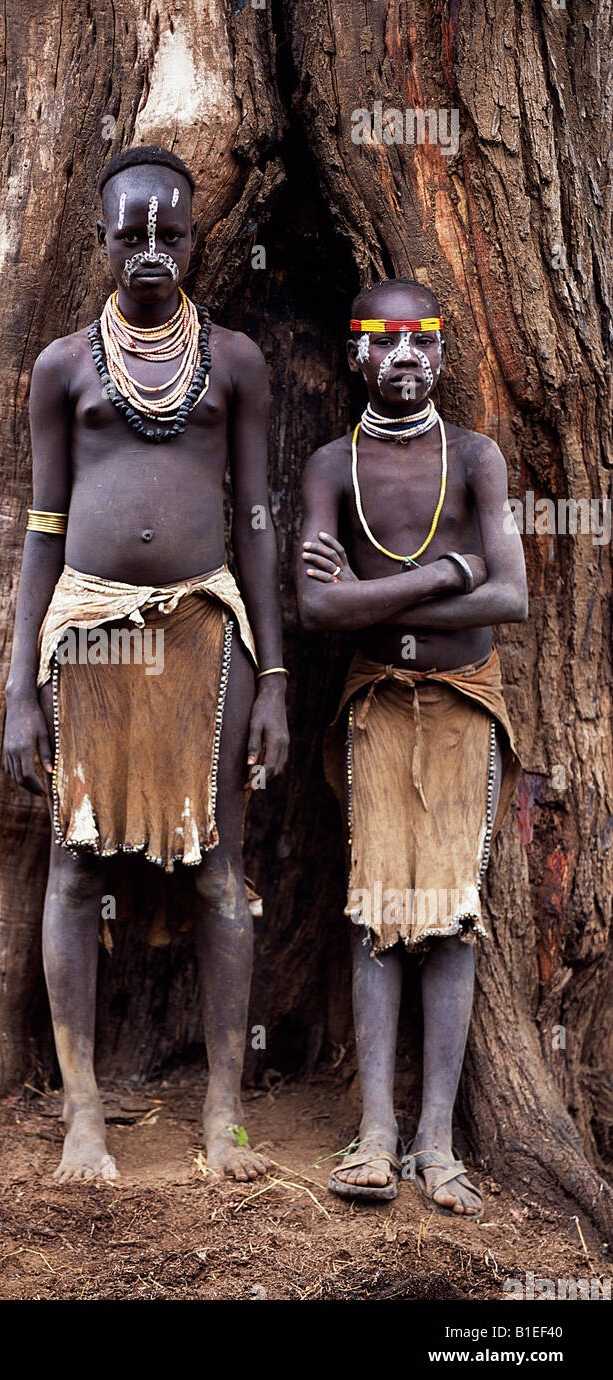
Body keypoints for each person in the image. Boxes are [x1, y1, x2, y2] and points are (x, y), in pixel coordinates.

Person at [3, 145, 289, 1182]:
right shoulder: (65, 367)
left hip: (205, 635)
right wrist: (16, 689)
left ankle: (222, 1118)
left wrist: (280, 680)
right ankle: (82, 1113)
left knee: (217, 868)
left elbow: (257, 524)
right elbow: (41, 527)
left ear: (198, 239)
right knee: (77, 864)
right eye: (133, 233)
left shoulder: (238, 364)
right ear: (102, 240)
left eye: (171, 231)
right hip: (88, 632)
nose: (153, 251)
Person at [297, 278, 527, 1217]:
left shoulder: (474, 457)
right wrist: (445, 574)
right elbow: (316, 609)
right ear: (355, 355)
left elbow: (509, 596)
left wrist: (372, 594)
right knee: (377, 907)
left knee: (451, 914)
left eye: (422, 341)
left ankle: (437, 1141)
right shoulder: (329, 466)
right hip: (377, 704)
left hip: (465, 699)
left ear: (442, 353)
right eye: (384, 341)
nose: (404, 357)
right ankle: (378, 1134)